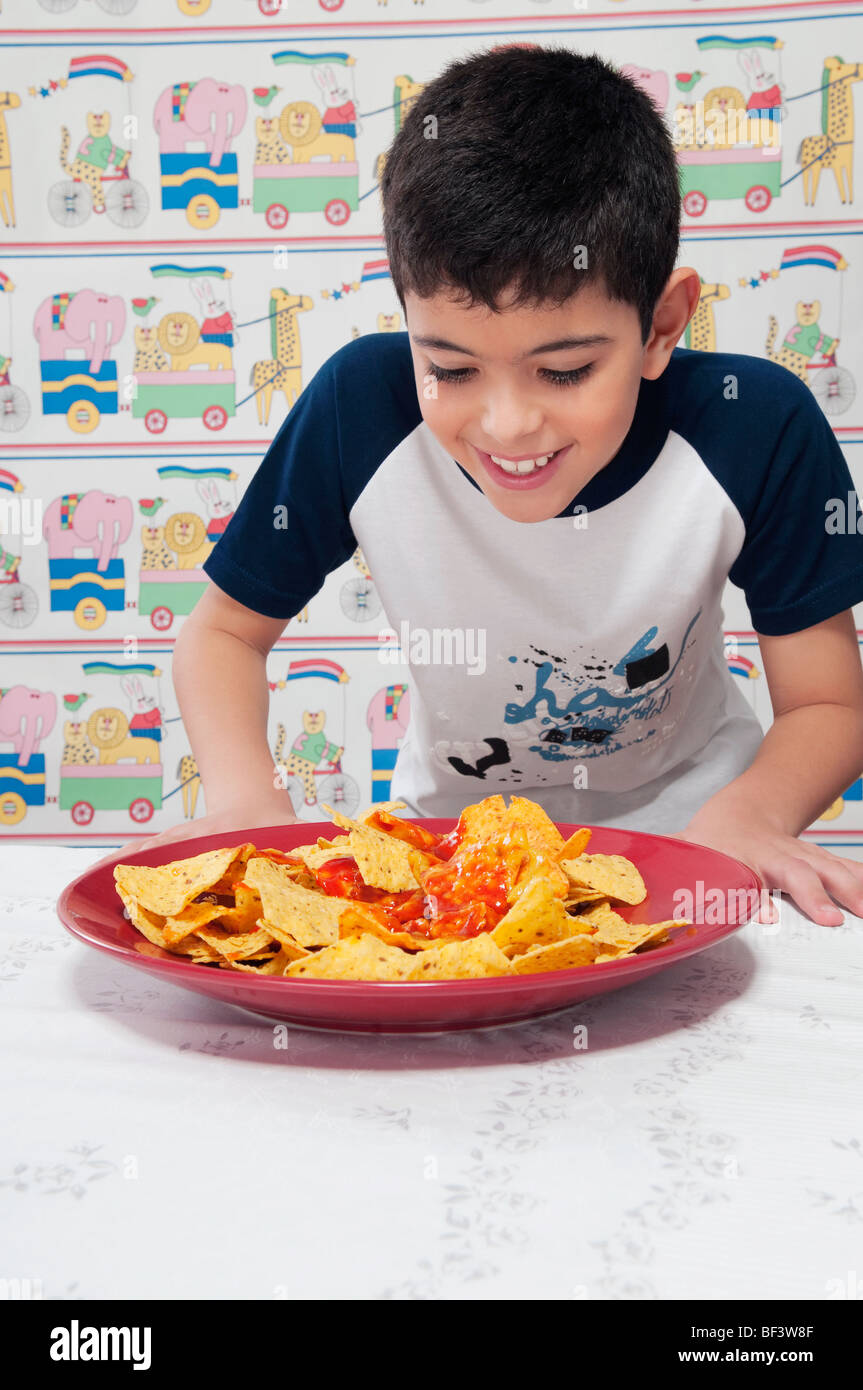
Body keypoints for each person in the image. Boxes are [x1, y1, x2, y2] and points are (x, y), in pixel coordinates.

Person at [101, 46, 863, 926]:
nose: (507, 427)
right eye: (451, 369)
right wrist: (242, 801)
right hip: (445, 868)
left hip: (694, 852)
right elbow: (224, 635)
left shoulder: (754, 423)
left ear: (660, 325)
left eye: (566, 371)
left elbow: (827, 700)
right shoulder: (359, 407)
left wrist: (747, 818)